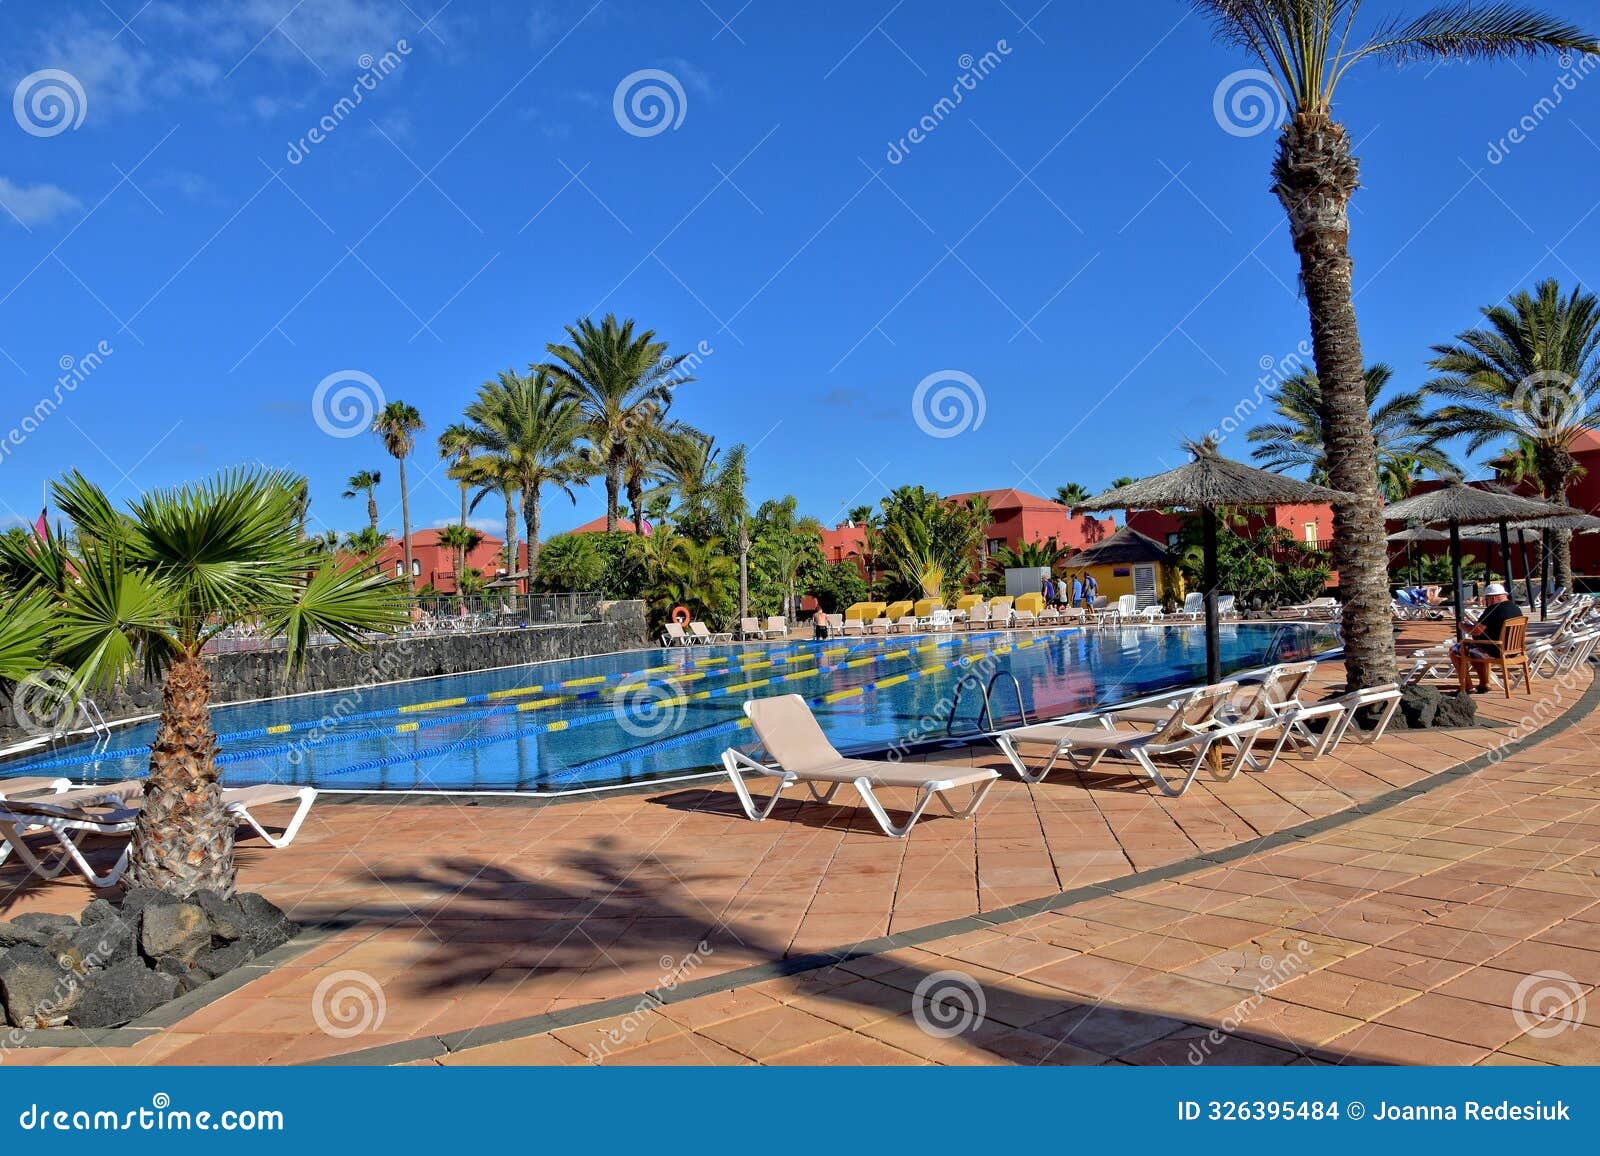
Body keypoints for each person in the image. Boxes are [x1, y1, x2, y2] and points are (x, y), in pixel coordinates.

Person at [1452, 582, 1524, 694]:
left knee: (1455, 650)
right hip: (1512, 651)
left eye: (1487, 599)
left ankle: (1467, 687)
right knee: (1475, 649)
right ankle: (1484, 684)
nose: (1486, 601)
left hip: (1496, 651)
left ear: (1493, 598)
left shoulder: (1493, 609)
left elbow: (1476, 631)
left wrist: (1462, 625)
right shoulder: (1515, 608)